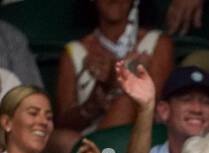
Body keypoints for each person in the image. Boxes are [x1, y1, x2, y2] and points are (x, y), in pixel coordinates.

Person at [54, 0, 174, 141]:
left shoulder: (157, 43)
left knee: (126, 101)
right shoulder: (74, 52)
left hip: (140, 141)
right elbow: (63, 123)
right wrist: (92, 104)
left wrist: (119, 79)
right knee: (63, 140)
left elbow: (157, 109)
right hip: (85, 143)